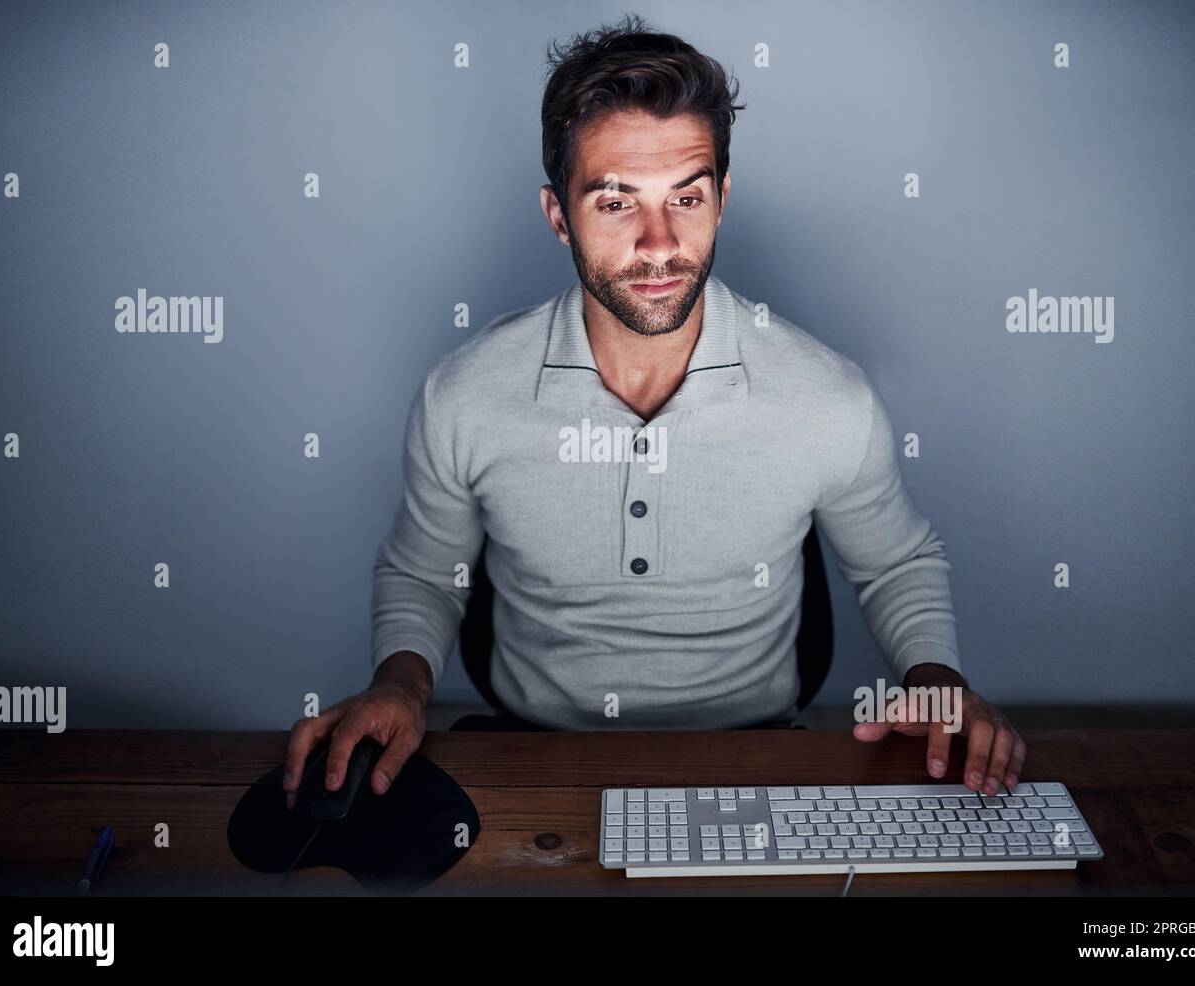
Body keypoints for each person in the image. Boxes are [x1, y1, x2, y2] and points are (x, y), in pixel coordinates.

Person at [284, 14, 1025, 809]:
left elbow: (896, 563)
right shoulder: (464, 395)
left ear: (722, 199)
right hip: (531, 762)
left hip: (756, 764)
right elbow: (424, 571)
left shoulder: (827, 397)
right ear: (557, 214)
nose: (659, 243)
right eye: (615, 203)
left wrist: (941, 683)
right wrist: (399, 685)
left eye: (687, 197)